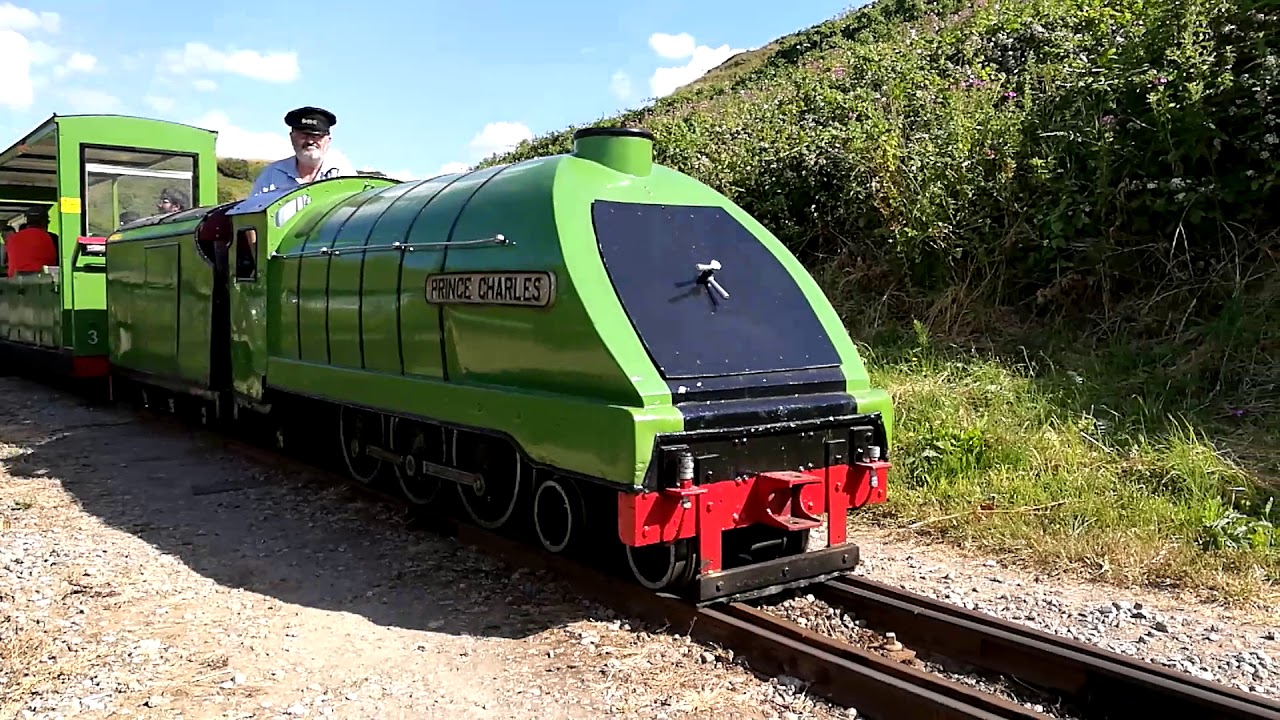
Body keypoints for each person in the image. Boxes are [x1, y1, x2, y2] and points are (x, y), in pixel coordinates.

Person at [249, 106, 356, 197]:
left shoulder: (342, 173)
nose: (310, 141)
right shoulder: (271, 174)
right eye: (304, 135)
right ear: (292, 137)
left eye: (316, 136)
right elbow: (253, 210)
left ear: (328, 140)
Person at [6, 209, 58, 277]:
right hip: (42, 280)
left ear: (27, 221)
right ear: (45, 222)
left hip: (15, 280)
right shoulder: (51, 238)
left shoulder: (12, 238)